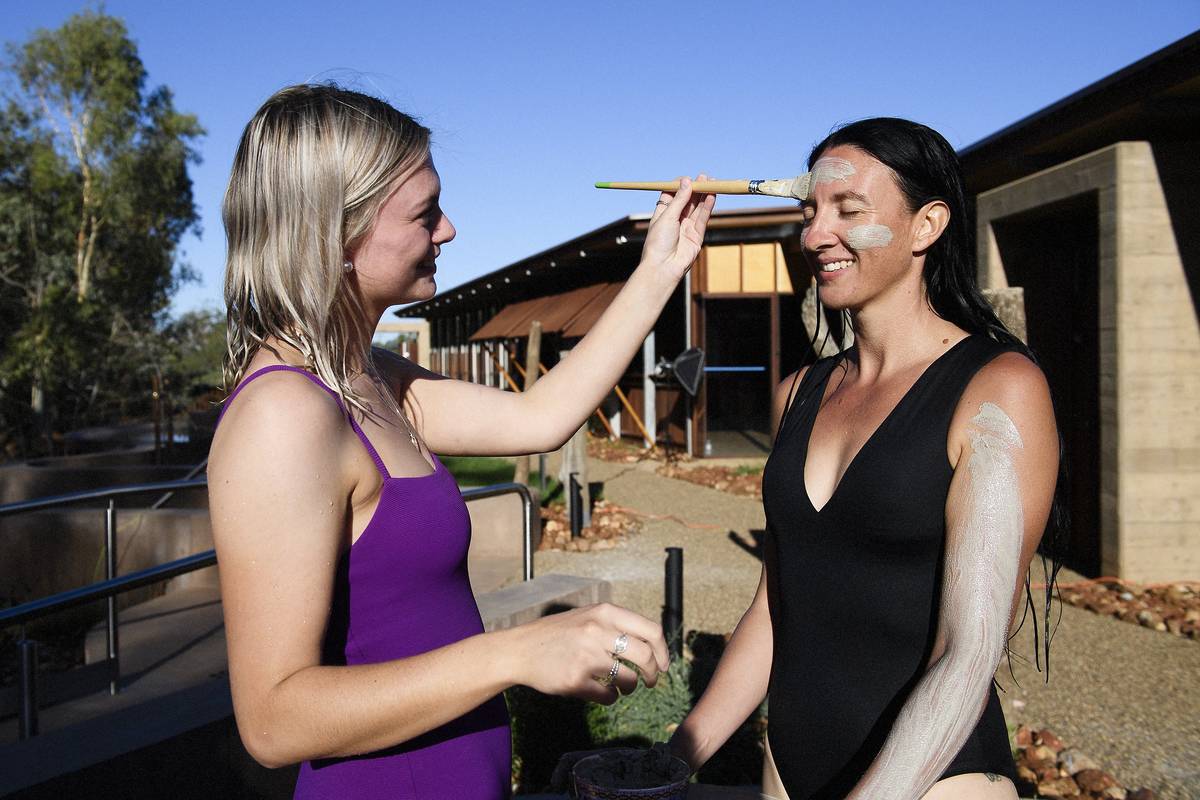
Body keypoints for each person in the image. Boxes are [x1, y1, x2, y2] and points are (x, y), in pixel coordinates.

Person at [207, 84, 715, 799]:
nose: (448, 230)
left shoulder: (373, 376)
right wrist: (516, 653)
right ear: (334, 233)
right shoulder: (285, 413)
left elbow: (540, 417)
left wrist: (661, 266)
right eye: (425, 213)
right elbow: (272, 722)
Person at [666, 118, 1060, 799]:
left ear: (926, 225)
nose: (815, 234)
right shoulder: (799, 393)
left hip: (934, 780)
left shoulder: (997, 390)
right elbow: (776, 609)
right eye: (810, 212)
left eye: (849, 211)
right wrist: (675, 758)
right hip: (789, 770)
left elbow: (967, 654)